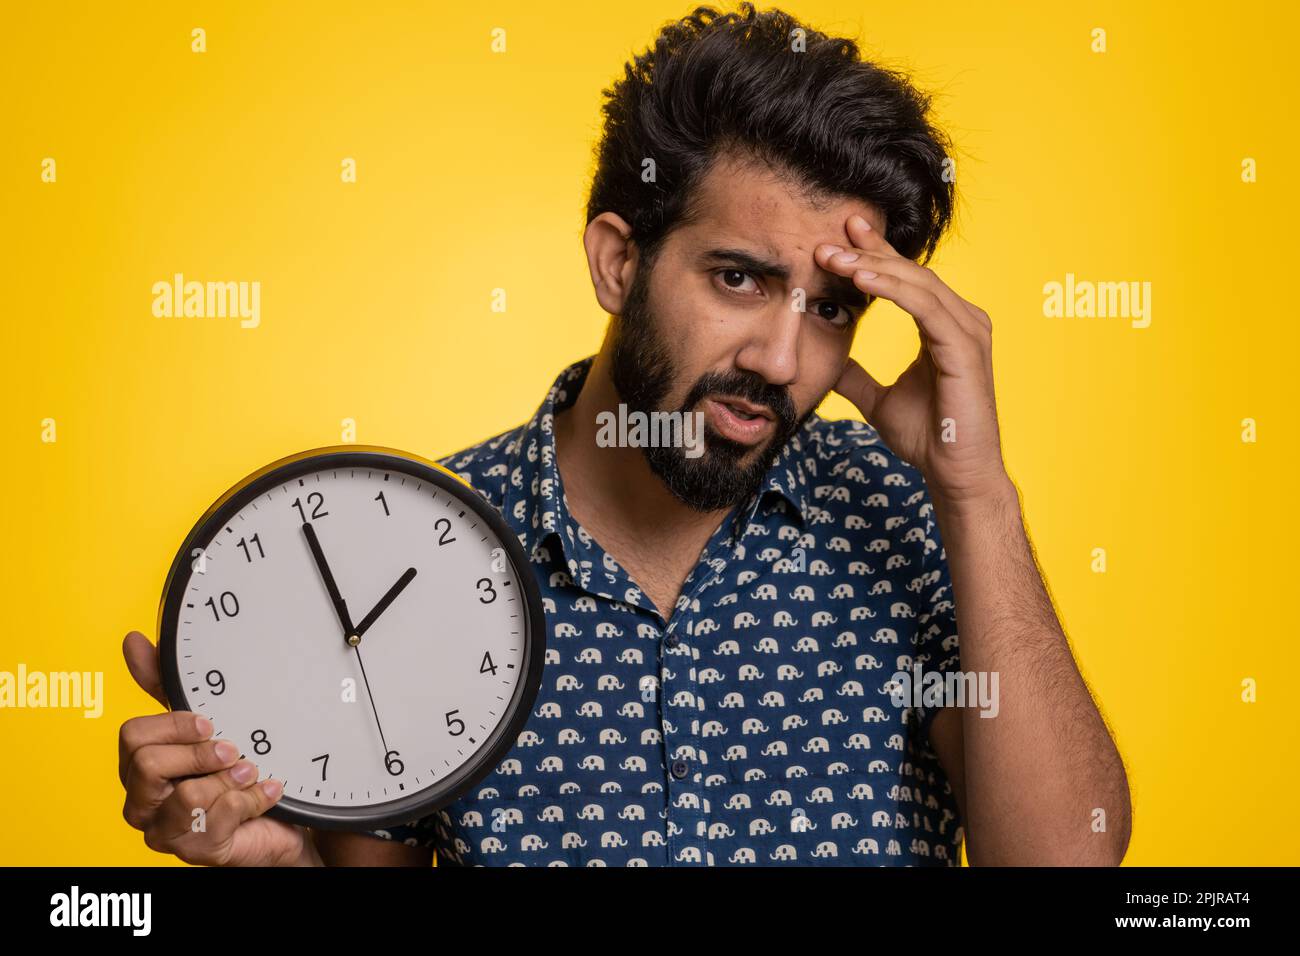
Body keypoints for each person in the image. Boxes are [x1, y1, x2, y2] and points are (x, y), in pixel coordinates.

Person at [119, 2, 1130, 866]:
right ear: (618, 261)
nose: (781, 360)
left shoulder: (916, 522)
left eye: (830, 310)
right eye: (740, 277)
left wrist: (975, 489)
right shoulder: (418, 557)